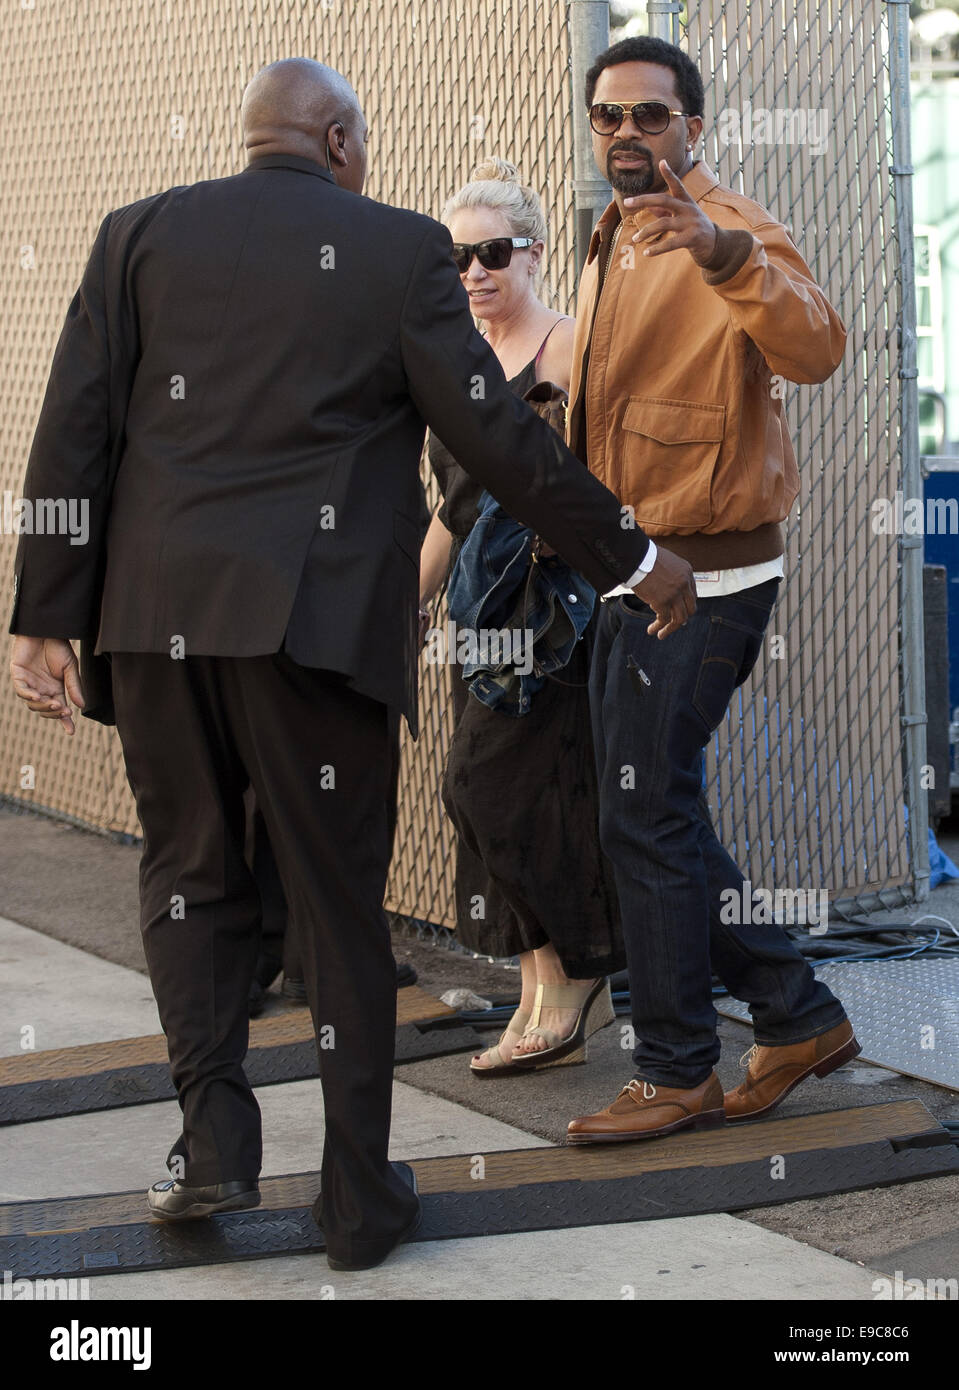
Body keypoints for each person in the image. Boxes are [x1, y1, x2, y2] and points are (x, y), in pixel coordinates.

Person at [8, 58, 694, 1266]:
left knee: (189, 874)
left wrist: (41, 615)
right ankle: (355, 1198)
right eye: (361, 144)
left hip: (154, 623)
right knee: (334, 904)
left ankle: (213, 1146)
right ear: (335, 139)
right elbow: (493, 438)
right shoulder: (391, 251)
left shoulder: (137, 236)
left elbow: (73, 427)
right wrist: (632, 559)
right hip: (312, 633)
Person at [564, 37, 860, 1145]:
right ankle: (793, 1016)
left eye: (649, 115)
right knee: (651, 807)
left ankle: (678, 1066)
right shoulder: (610, 234)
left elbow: (817, 344)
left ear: (692, 125)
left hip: (710, 572)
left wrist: (727, 254)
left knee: (643, 811)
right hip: (634, 570)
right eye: (608, 118)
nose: (627, 134)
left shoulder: (721, 222)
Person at [421, 159, 624, 1076]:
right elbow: (449, 508)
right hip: (482, 620)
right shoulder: (451, 363)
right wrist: (404, 604)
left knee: (493, 787)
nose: (472, 272)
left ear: (533, 253)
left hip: (558, 624)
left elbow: (607, 488)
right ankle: (548, 982)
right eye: (456, 257)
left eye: (491, 253)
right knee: (484, 804)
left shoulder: (573, 350)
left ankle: (582, 975)